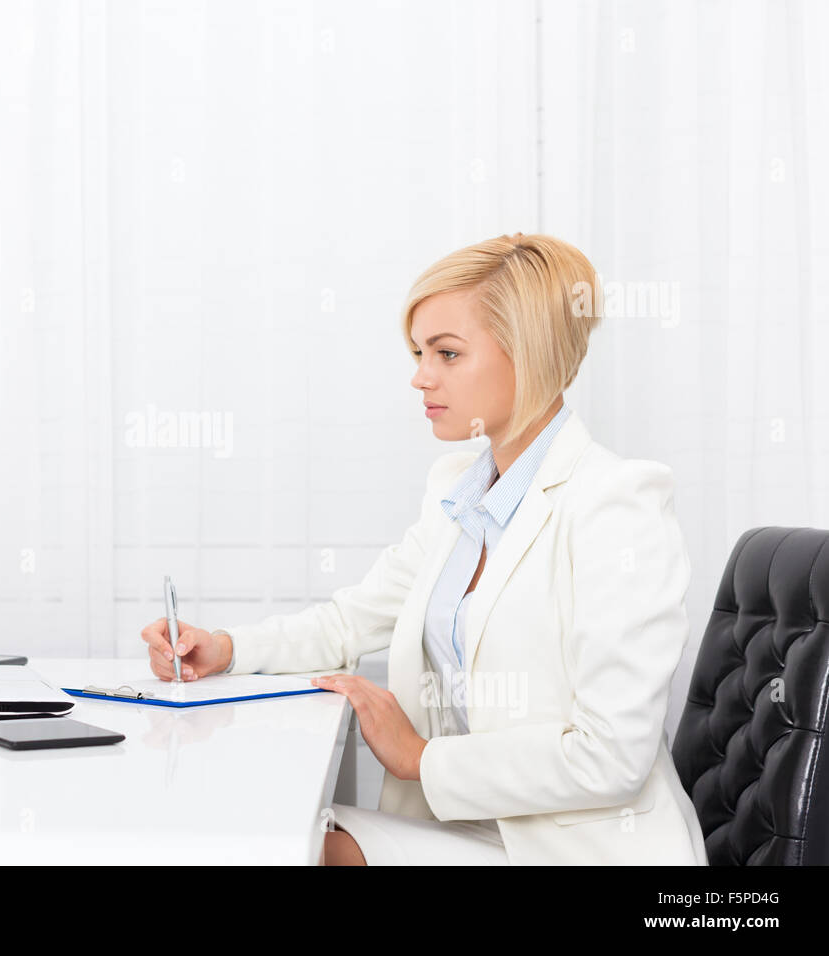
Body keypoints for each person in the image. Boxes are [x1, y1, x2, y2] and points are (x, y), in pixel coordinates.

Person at [138, 233, 709, 866]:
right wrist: (226, 648)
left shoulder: (617, 505)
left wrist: (420, 758)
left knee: (290, 849)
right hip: (474, 826)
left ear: (531, 354)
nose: (419, 376)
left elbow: (612, 758)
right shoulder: (461, 493)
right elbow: (351, 620)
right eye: (418, 352)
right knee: (263, 831)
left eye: (446, 352)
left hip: (580, 849)